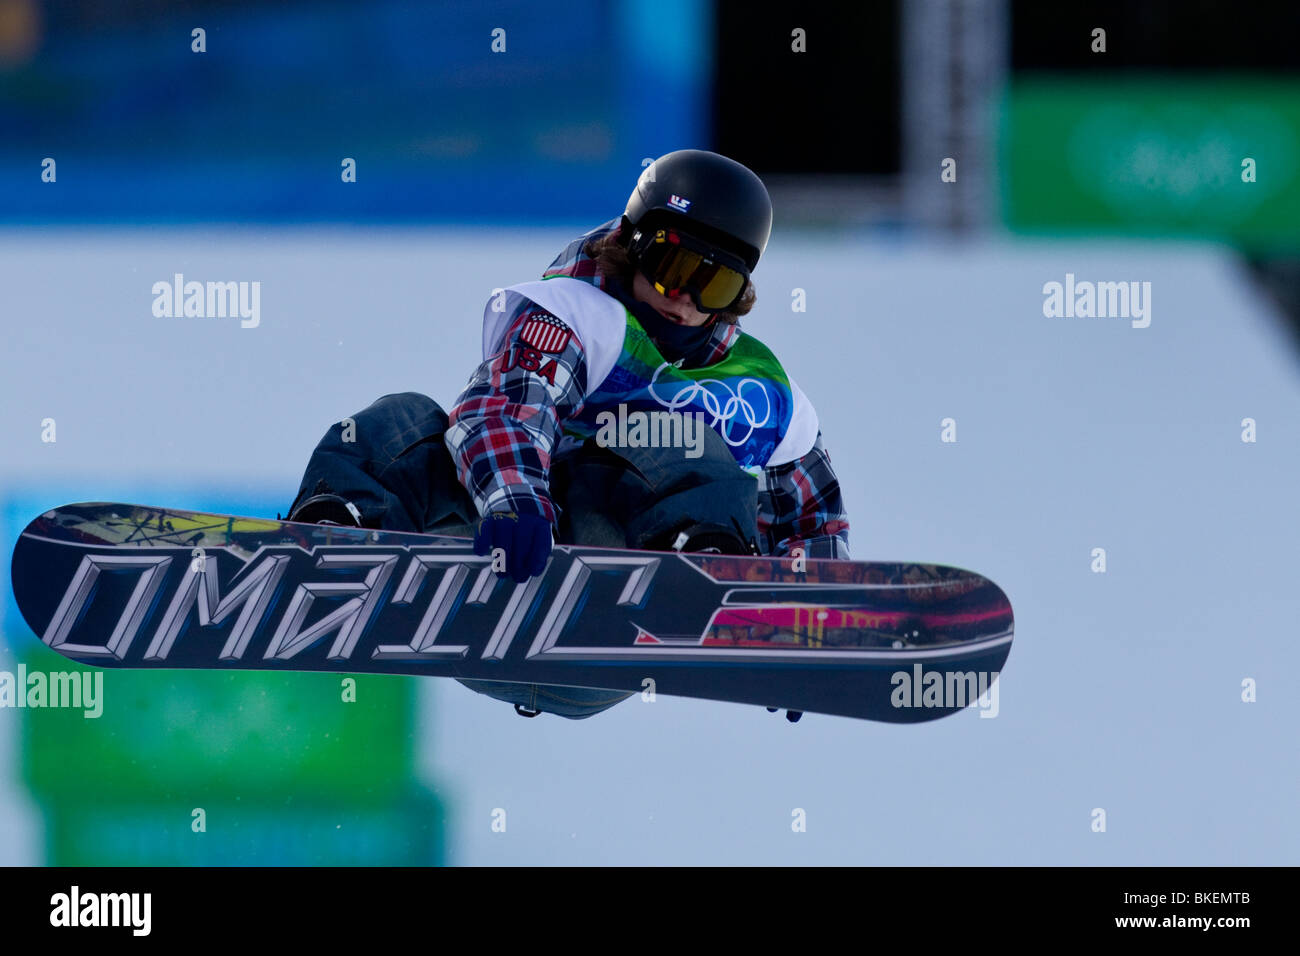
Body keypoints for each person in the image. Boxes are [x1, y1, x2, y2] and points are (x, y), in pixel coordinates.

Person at [286, 149, 849, 719]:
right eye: (672, 268)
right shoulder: (574, 316)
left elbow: (812, 518)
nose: (685, 297)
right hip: (504, 554)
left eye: (716, 283)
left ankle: (700, 566)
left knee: (683, 438)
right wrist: (516, 504)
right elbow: (505, 409)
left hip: (619, 594)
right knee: (399, 422)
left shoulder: (760, 393)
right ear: (632, 244)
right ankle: (338, 538)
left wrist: (806, 626)